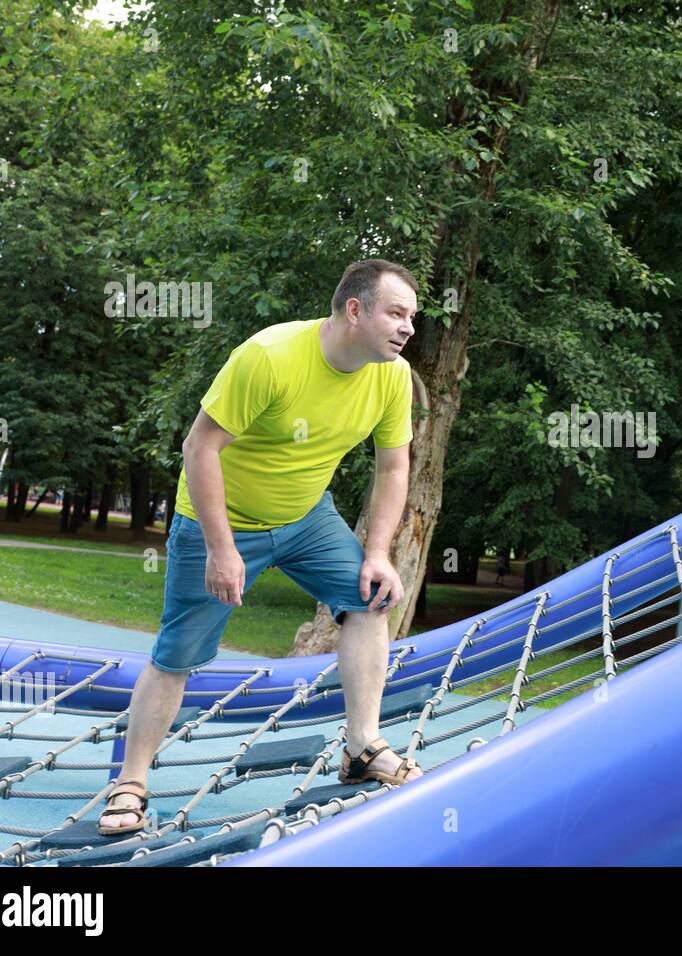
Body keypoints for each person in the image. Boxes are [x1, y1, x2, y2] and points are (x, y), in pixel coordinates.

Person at [98, 259, 424, 836]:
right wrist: (224, 551)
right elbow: (200, 448)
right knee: (178, 654)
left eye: (412, 317)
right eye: (396, 313)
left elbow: (394, 467)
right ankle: (131, 782)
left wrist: (377, 552)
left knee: (370, 597)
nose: (408, 328)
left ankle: (362, 746)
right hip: (218, 521)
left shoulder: (392, 377)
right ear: (356, 310)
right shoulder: (270, 356)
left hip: (305, 517)